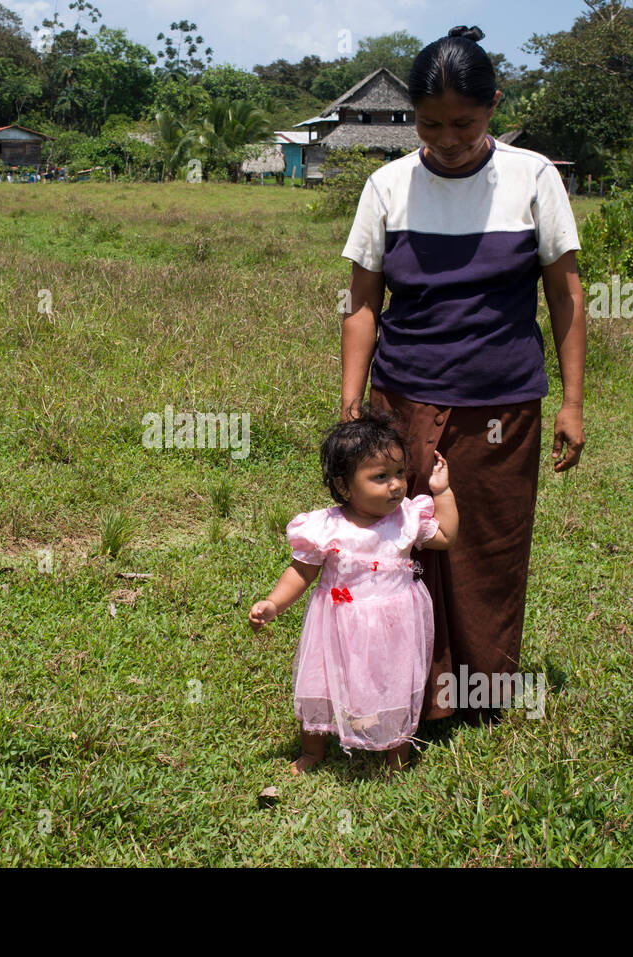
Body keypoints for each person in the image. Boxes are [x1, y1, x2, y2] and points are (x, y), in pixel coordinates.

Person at [339, 25, 586, 725]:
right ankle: (408, 688)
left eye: (464, 123)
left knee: (488, 543)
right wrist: (353, 398)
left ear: (494, 108)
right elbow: (363, 301)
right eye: (430, 124)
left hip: (502, 404)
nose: (446, 138)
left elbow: (565, 294)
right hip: (402, 396)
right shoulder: (386, 186)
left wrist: (571, 401)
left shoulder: (533, 177)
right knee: (401, 542)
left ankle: (479, 692)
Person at [249, 412, 458, 772]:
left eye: (399, 473)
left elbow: (446, 537)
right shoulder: (324, 526)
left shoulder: (408, 517)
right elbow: (301, 572)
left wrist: (442, 492)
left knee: (393, 688)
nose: (395, 485)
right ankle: (313, 750)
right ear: (344, 486)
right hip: (336, 626)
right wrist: (273, 603)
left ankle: (397, 755)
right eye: (380, 477)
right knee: (322, 684)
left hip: (394, 626)